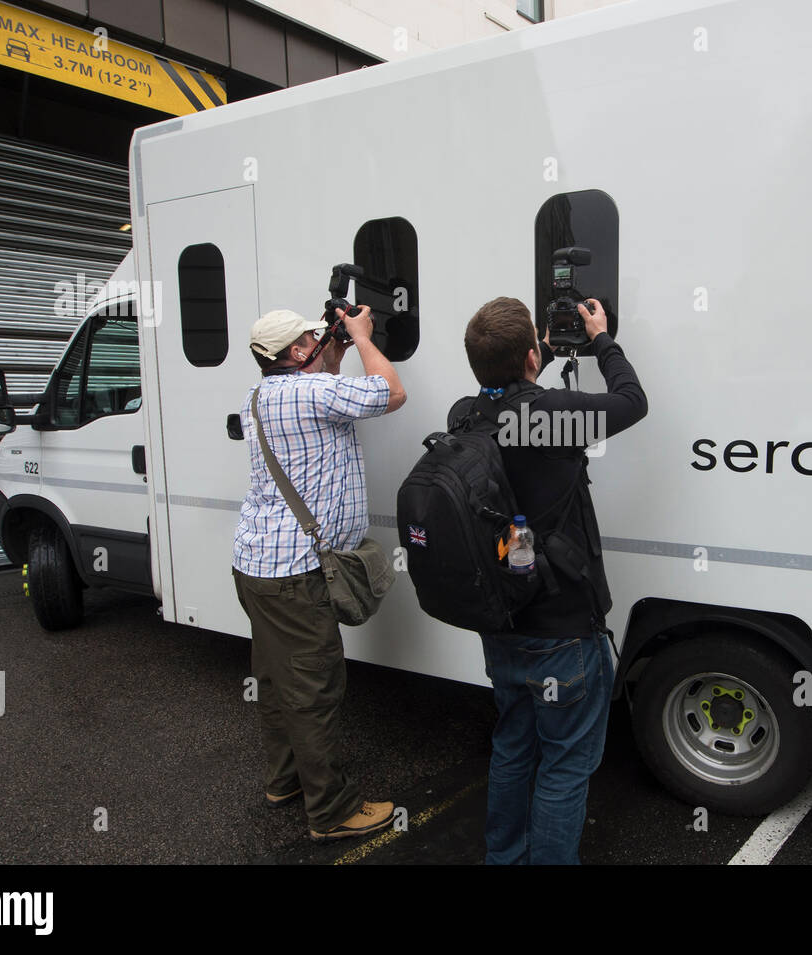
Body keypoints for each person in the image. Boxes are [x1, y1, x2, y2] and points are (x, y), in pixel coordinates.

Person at [448, 296, 647, 864]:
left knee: (513, 746)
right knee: (564, 765)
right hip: (560, 623)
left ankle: (503, 858)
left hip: (502, 616)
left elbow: (510, 420)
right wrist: (601, 337)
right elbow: (632, 401)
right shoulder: (550, 416)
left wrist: (535, 378)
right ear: (533, 354)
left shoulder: (462, 415)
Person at [232, 306, 406, 841]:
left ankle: (285, 781)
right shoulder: (311, 395)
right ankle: (331, 811)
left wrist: (333, 351)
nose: (318, 338)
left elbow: (322, 386)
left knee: (276, 679)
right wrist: (360, 336)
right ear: (296, 352)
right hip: (295, 575)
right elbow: (390, 392)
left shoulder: (260, 396)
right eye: (311, 336)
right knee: (313, 687)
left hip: (256, 566)